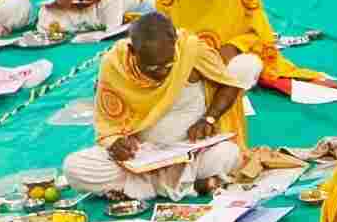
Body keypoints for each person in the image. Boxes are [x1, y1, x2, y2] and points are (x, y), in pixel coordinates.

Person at [64, 13, 248, 199]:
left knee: (229, 154)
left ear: (175, 41)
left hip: (192, 154)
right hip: (141, 156)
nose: (162, 73)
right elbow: (107, 122)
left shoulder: (191, 50)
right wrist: (115, 143)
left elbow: (228, 85)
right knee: (74, 167)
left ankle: (146, 188)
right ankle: (184, 185)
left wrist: (209, 118)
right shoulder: (114, 64)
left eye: (168, 65)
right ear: (132, 50)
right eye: (152, 68)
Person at [154, 0, 326, 101]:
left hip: (227, 59)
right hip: (187, 59)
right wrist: (191, 56)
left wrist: (235, 45)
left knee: (250, 65)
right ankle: (214, 92)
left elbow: (258, 30)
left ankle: (217, 93)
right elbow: (163, 32)